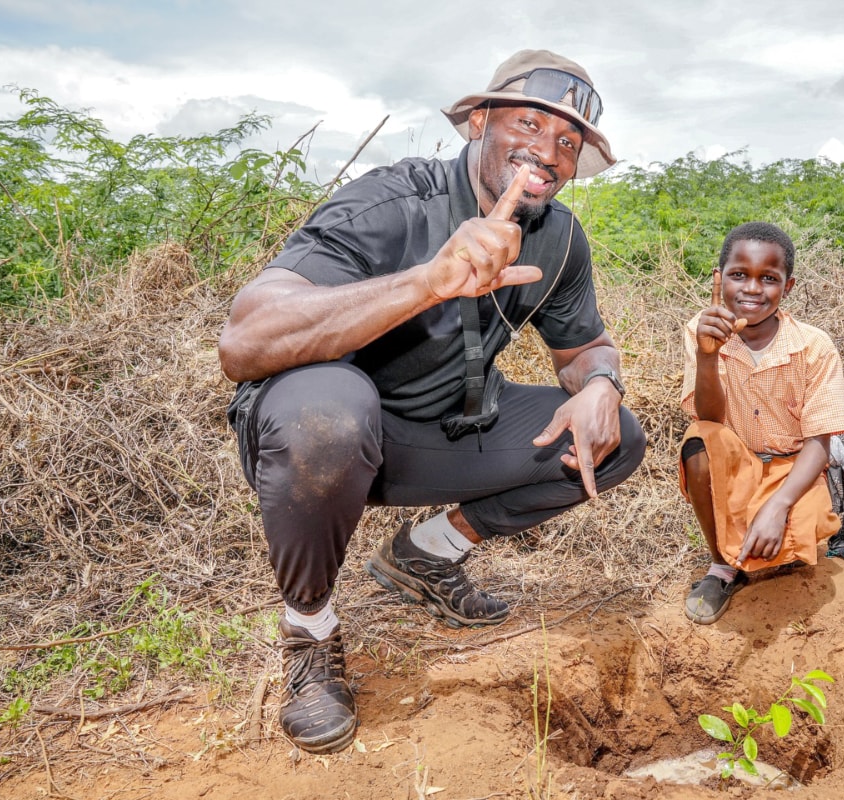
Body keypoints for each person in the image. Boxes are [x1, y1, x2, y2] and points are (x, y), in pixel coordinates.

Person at [217, 50, 645, 754]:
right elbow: (245, 340)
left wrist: (601, 383)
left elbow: (583, 349)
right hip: (323, 437)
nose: (547, 150)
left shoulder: (560, 237)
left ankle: (424, 554)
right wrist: (429, 281)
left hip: (439, 437)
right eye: (529, 122)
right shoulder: (390, 202)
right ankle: (310, 635)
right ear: (479, 120)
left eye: (567, 141)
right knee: (329, 408)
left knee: (616, 436)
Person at [678, 222, 844, 624]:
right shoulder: (699, 329)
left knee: (783, 551)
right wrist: (708, 356)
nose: (752, 289)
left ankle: (772, 525)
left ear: (787, 287)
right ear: (720, 279)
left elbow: (819, 442)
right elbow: (710, 419)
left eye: (768, 279)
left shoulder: (813, 345)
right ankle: (721, 566)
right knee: (698, 441)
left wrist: (778, 505)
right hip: (737, 465)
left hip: (795, 470)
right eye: (739, 275)